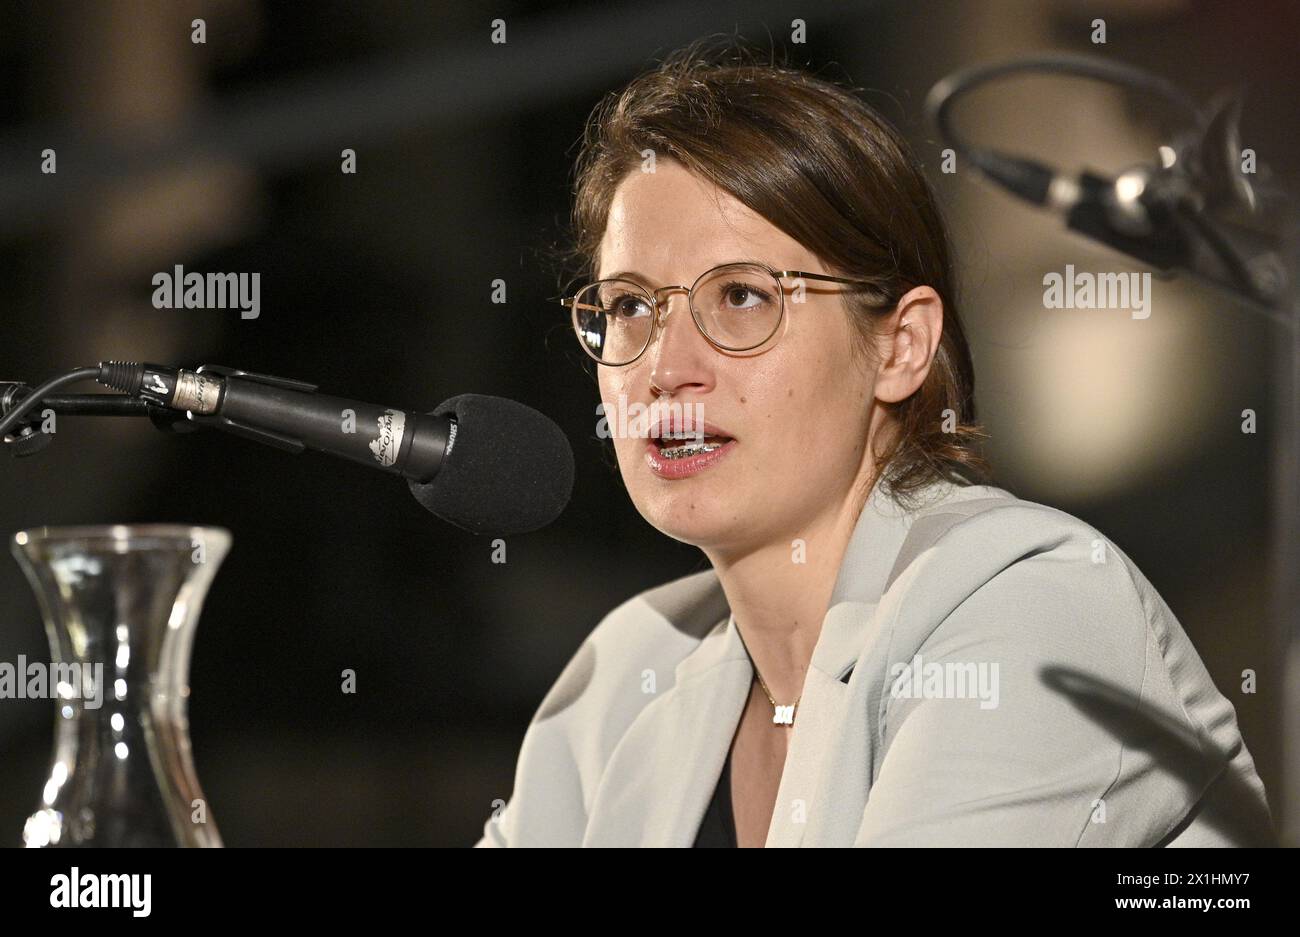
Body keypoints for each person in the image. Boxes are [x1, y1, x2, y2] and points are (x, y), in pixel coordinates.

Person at [476, 40, 1273, 847]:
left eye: (743, 296)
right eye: (630, 307)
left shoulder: (1032, 602)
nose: (665, 368)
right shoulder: (624, 674)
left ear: (900, 346)